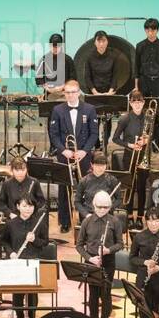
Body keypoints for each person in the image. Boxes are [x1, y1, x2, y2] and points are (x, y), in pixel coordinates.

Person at [47, 80, 98, 232]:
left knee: (86, 189)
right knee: (64, 189)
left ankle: (85, 221)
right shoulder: (57, 110)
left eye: (73, 92)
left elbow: (94, 134)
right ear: (64, 93)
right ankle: (65, 222)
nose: (70, 95)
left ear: (78, 92)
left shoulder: (89, 109)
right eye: (67, 92)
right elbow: (54, 134)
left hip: (83, 155)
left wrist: (84, 151)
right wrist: (63, 150)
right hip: (65, 155)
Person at [1, 196, 50, 318]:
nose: (27, 209)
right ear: (17, 206)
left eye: (30, 206)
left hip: (33, 260)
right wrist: (10, 253)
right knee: (17, 295)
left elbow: (45, 242)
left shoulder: (39, 223)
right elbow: (4, 241)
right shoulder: (11, 224)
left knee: (33, 295)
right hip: (17, 262)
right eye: (24, 206)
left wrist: (35, 240)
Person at [78, 191, 123, 318]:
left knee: (105, 294)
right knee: (93, 295)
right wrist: (90, 258)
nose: (102, 210)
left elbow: (120, 243)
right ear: (93, 205)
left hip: (108, 262)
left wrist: (108, 250)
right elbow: (79, 245)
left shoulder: (114, 221)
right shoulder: (87, 221)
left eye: (106, 207)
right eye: (99, 207)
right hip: (92, 262)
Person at [111, 90, 159, 213]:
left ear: (144, 103)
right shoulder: (125, 119)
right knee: (130, 187)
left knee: (142, 187)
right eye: (134, 102)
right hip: (130, 156)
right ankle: (128, 215)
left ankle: (139, 216)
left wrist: (146, 140)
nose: (137, 104)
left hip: (144, 155)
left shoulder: (150, 117)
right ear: (130, 103)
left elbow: (154, 135)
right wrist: (130, 145)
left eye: (140, 102)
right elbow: (115, 138)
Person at [75, 152, 120, 223]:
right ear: (92, 165)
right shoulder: (84, 181)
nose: (101, 168)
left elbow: (118, 199)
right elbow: (77, 202)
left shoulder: (112, 180)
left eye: (103, 165)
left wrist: (109, 209)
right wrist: (86, 215)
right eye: (97, 165)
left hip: (107, 215)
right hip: (90, 214)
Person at [134, 18, 159, 98]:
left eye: (153, 31)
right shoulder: (139, 46)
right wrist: (136, 86)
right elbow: (136, 66)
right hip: (143, 81)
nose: (150, 33)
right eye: (147, 31)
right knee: (143, 106)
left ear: (157, 30)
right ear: (145, 30)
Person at [35, 32, 75, 97]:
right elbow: (38, 78)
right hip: (49, 93)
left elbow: (73, 77)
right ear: (50, 45)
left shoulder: (68, 59)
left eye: (58, 46)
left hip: (65, 94)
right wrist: (47, 88)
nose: (56, 48)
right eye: (53, 46)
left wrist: (63, 86)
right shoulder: (44, 59)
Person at [80, 30, 118, 97]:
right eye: (99, 41)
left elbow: (115, 76)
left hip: (110, 92)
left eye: (103, 41)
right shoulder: (89, 57)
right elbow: (87, 77)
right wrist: (95, 93)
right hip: (93, 92)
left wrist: (110, 92)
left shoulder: (113, 56)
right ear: (95, 42)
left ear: (107, 42)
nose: (101, 44)